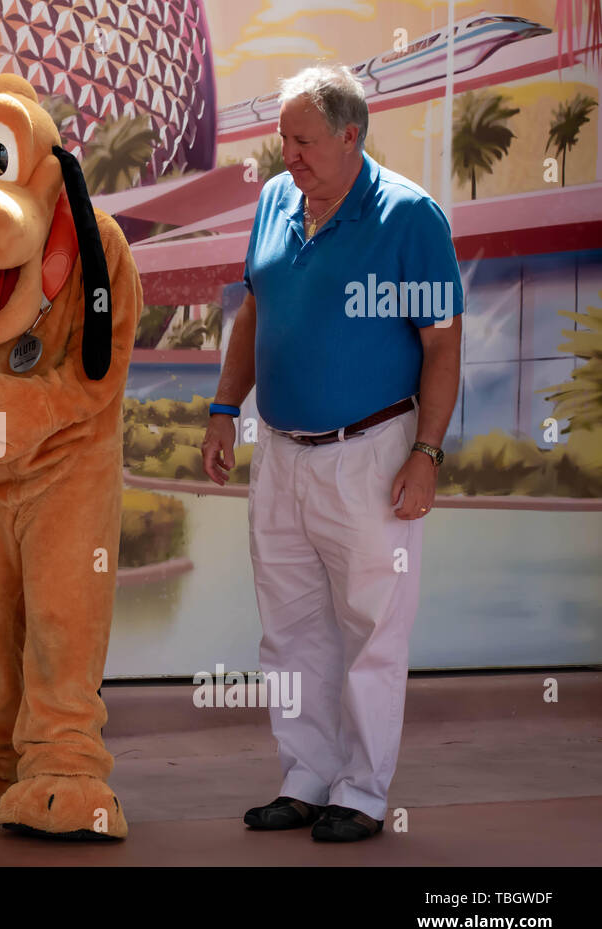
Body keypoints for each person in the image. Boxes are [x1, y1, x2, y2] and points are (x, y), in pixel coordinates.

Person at [201, 65, 463, 842]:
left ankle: (363, 792)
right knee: (289, 630)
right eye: (284, 137)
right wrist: (223, 408)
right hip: (279, 452)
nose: (290, 154)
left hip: (372, 453)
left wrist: (427, 452)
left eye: (304, 139)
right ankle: (306, 776)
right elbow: (254, 311)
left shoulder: (411, 218)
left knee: (371, 630)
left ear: (352, 136)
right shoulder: (276, 201)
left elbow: (442, 347)